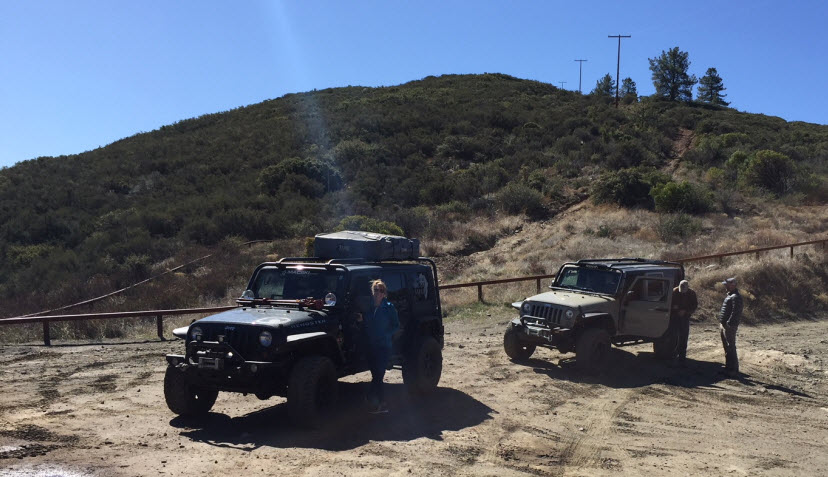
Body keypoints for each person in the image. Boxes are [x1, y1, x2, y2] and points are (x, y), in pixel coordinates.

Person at [362, 279, 399, 413]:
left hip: (383, 346)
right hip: (371, 346)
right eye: (376, 290)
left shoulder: (389, 307)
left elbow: (396, 325)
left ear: (384, 293)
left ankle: (378, 402)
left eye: (381, 290)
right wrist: (361, 319)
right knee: (376, 376)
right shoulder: (370, 307)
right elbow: (368, 323)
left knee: (378, 374)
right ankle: (377, 402)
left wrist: (386, 334)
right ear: (373, 292)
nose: (378, 293)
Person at [718, 277, 743, 376]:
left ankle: (733, 369)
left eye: (727, 285)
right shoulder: (731, 295)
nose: (725, 286)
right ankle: (728, 367)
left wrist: (729, 323)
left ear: (732, 285)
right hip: (725, 325)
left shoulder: (736, 297)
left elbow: (736, 312)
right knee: (727, 347)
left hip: (729, 326)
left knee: (730, 347)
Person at [671, 279, 698, 366]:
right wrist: (674, 308)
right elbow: (669, 303)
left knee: (683, 337)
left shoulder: (692, 293)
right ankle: (673, 357)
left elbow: (694, 305)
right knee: (674, 337)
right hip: (674, 317)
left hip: (685, 318)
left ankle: (682, 358)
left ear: (687, 287)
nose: (682, 291)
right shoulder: (674, 291)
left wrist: (685, 311)